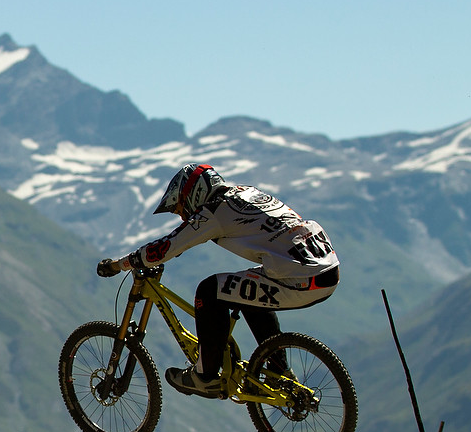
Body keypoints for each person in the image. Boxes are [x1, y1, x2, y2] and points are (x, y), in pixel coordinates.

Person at [97, 163, 339, 398]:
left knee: (209, 291)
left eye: (181, 207)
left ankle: (205, 377)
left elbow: (166, 247)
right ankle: (277, 369)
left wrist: (120, 264)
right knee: (249, 288)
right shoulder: (247, 192)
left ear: (194, 193)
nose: (183, 216)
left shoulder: (215, 211)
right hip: (326, 271)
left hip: (301, 279)